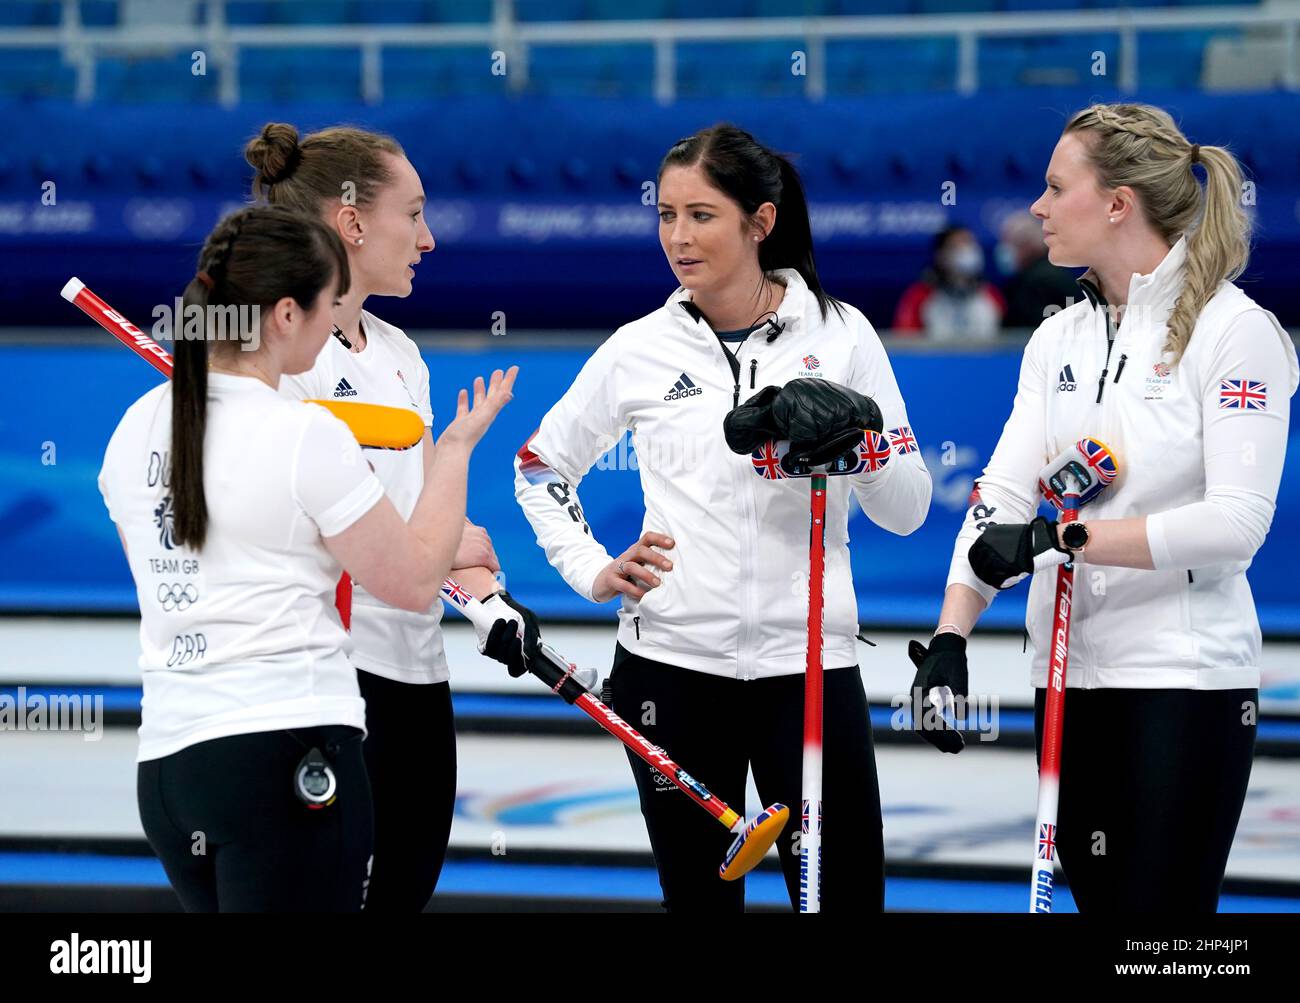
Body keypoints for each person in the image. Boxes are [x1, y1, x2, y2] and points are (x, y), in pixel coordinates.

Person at [513, 124, 931, 912]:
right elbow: (538, 466)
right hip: (669, 673)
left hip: (807, 672)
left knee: (844, 902)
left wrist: (859, 437)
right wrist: (591, 568)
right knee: (701, 906)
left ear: (760, 222)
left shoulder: (842, 336)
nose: (678, 236)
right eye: (666, 214)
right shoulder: (638, 347)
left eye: (701, 215)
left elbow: (908, 511)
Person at [908, 102, 1298, 912]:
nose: (1038, 208)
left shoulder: (1236, 332)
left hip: (1181, 683)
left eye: (1056, 187)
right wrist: (951, 635)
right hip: (1071, 678)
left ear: (1118, 203)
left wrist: (1063, 537)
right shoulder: (1058, 337)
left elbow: (1235, 526)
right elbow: (1003, 498)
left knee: (1159, 932)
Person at [98, 204, 516, 912]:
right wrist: (453, 452)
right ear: (286, 314)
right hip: (284, 758)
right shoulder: (304, 434)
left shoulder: (132, 427)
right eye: (327, 306)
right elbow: (414, 580)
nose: (333, 326)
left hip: (170, 770)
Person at [244, 122, 541, 912]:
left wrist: (487, 597)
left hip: (419, 682)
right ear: (352, 222)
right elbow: (300, 527)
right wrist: (427, 541)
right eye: (412, 214)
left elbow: (437, 527)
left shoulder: (401, 354)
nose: (429, 237)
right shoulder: (276, 357)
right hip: (331, 685)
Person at [893, 224, 1005, 341]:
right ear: (940, 255)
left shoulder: (992, 295)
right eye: (957, 246)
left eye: (969, 244)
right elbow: (904, 344)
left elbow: (1012, 340)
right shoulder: (919, 297)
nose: (966, 251)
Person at [995, 211, 1081, 330]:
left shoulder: (1039, 282)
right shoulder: (1051, 272)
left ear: (1027, 245)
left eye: (1009, 243)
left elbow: (1029, 331)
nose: (1005, 250)